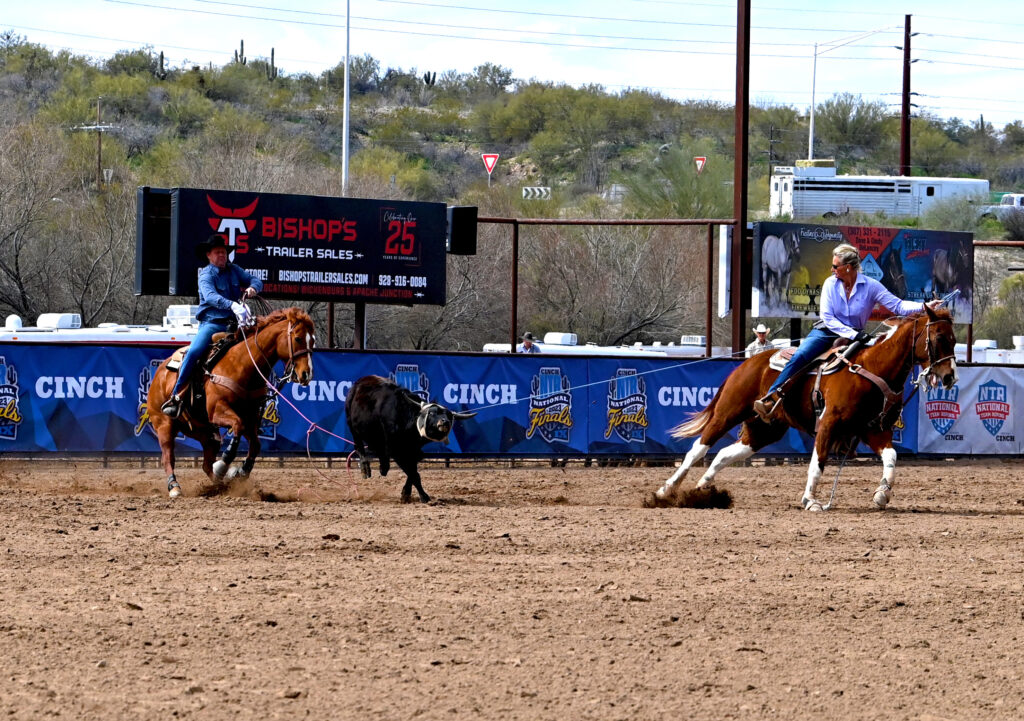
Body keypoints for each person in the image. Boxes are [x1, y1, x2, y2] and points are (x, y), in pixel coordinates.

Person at [753, 242, 941, 423]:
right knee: (801, 354)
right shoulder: (829, 284)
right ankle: (772, 395)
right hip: (827, 332)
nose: (832, 269)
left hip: (856, 336)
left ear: (849, 267)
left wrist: (924, 306)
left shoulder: (871, 286)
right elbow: (827, 318)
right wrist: (854, 335)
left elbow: (898, 305)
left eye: (835, 266)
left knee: (874, 366)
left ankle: (868, 415)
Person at [160, 235, 263, 418]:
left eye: (224, 252)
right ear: (209, 255)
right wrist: (232, 305)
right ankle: (177, 394)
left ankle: (260, 394)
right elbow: (210, 297)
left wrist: (252, 288)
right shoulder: (206, 275)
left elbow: (255, 279)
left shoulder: (234, 270)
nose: (222, 256)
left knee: (259, 346)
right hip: (212, 324)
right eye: (218, 252)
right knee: (193, 352)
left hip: (235, 324)